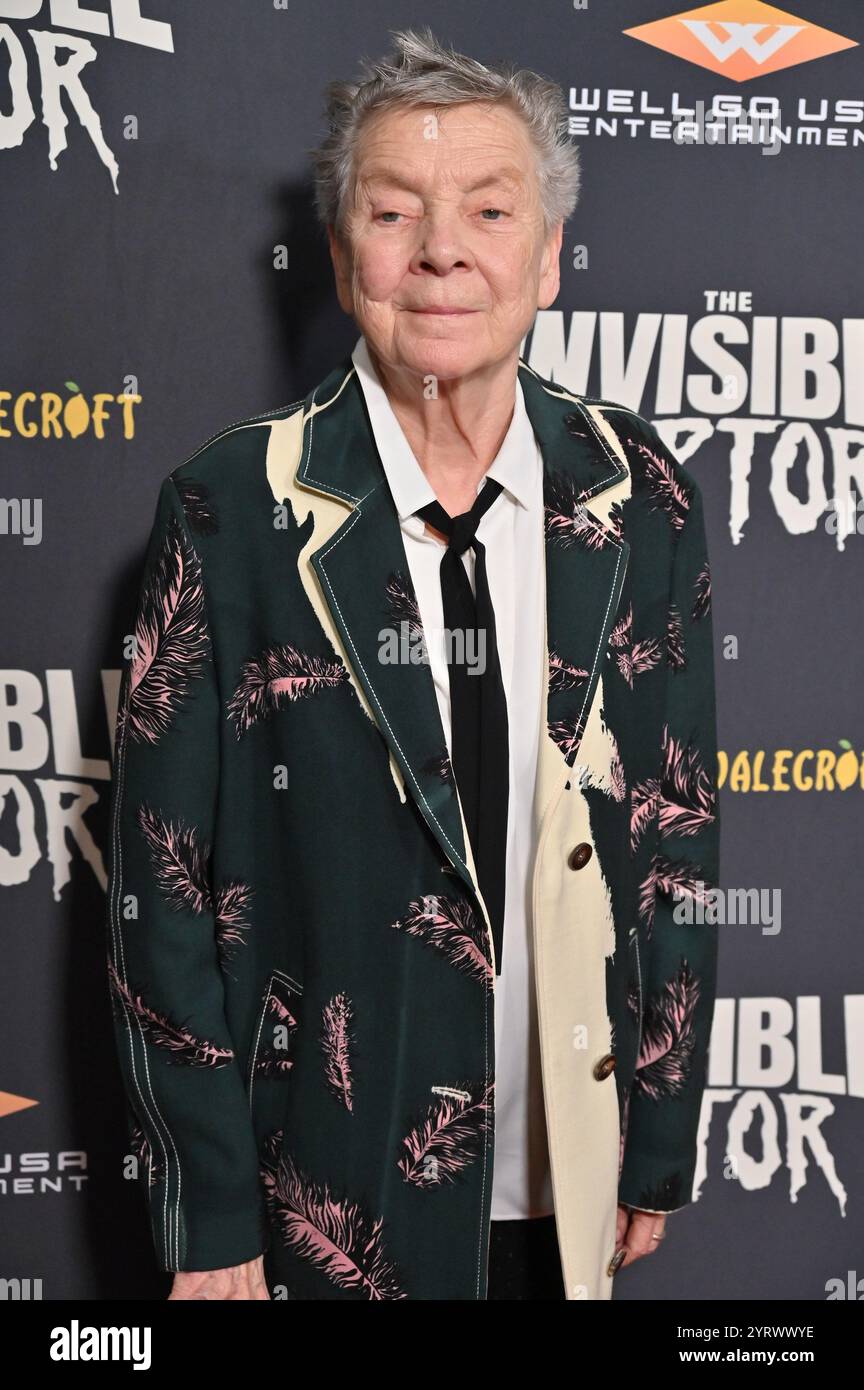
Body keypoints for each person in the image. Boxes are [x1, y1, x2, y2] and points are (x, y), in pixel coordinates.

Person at [106, 26, 719, 1301]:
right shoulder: (229, 507)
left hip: (561, 1171)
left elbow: (672, 829)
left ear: (548, 258)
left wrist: (654, 1142)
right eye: (395, 212)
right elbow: (158, 888)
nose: (443, 250)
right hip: (322, 1192)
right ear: (342, 260)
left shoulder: (636, 488)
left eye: (491, 211)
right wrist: (206, 1208)